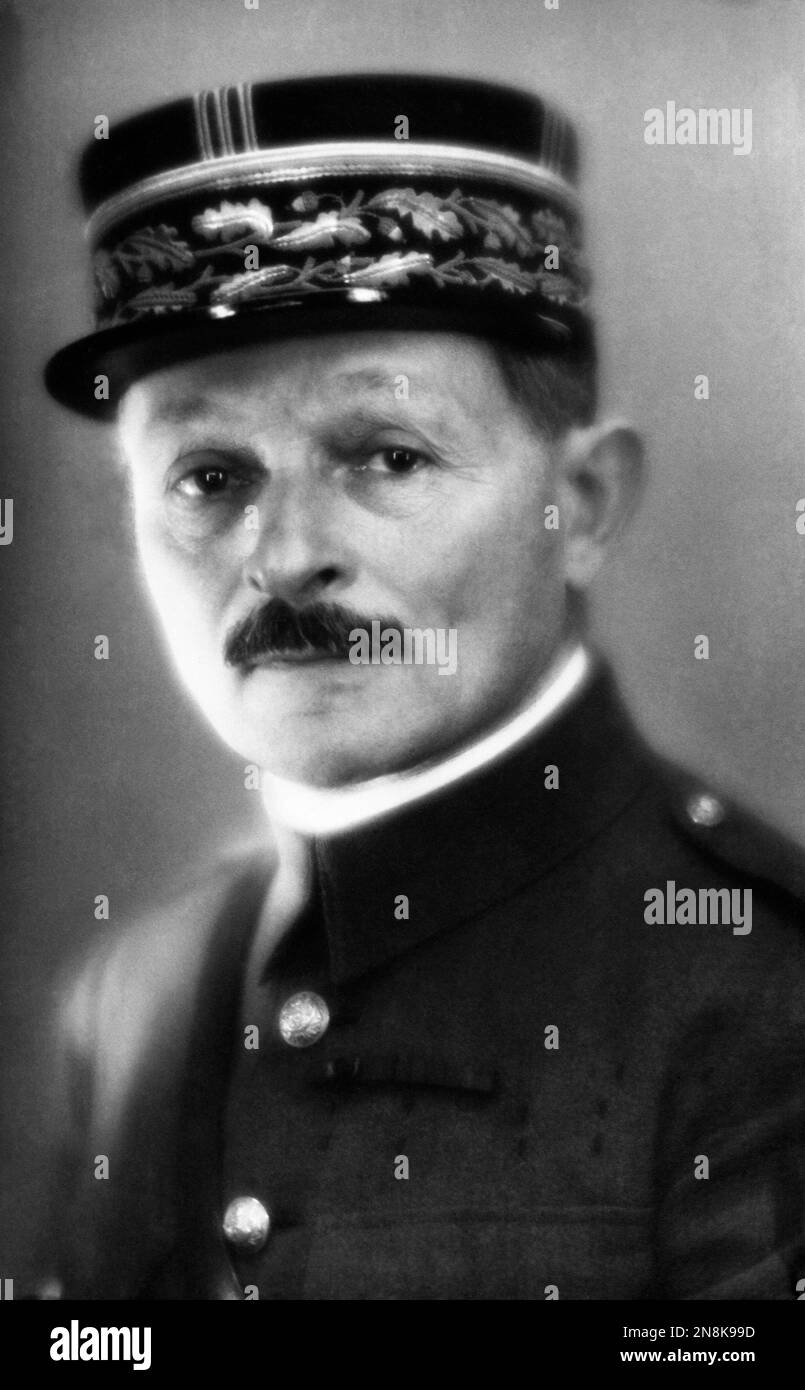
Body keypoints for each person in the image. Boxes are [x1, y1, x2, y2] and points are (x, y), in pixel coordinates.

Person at [37, 72, 804, 1300]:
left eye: (386, 456)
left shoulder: (759, 999)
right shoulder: (134, 1003)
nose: (284, 558)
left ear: (585, 504)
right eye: (208, 479)